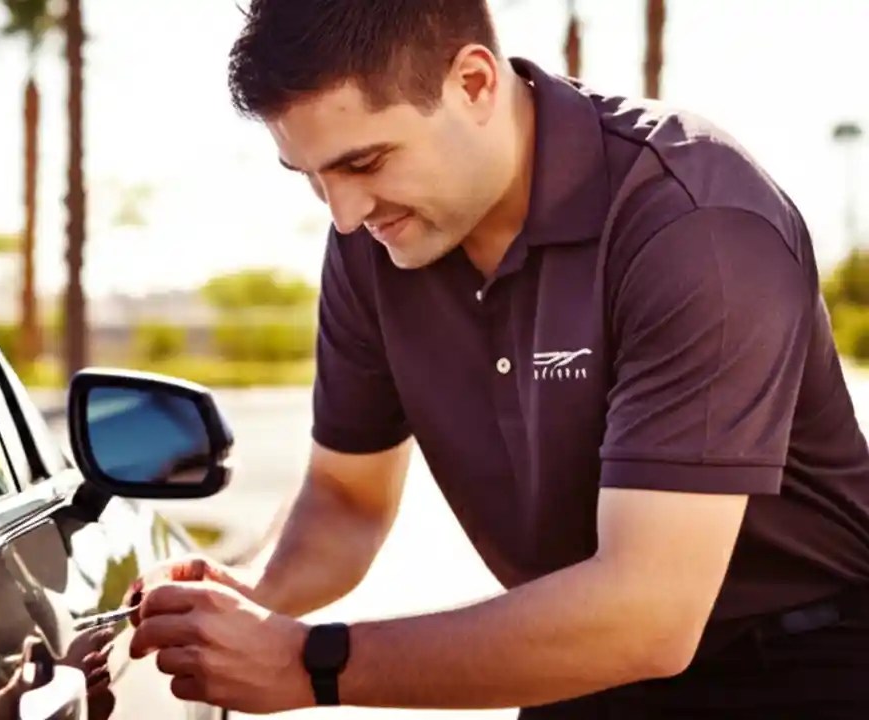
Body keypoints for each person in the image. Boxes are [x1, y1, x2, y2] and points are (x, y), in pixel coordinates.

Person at [124, 1, 869, 717]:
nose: (345, 213)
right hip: (571, 667)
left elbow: (651, 612)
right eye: (313, 177)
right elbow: (347, 499)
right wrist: (254, 595)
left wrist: (309, 664)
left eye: (365, 162)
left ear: (474, 82)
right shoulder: (371, 241)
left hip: (805, 666)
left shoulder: (694, 222)